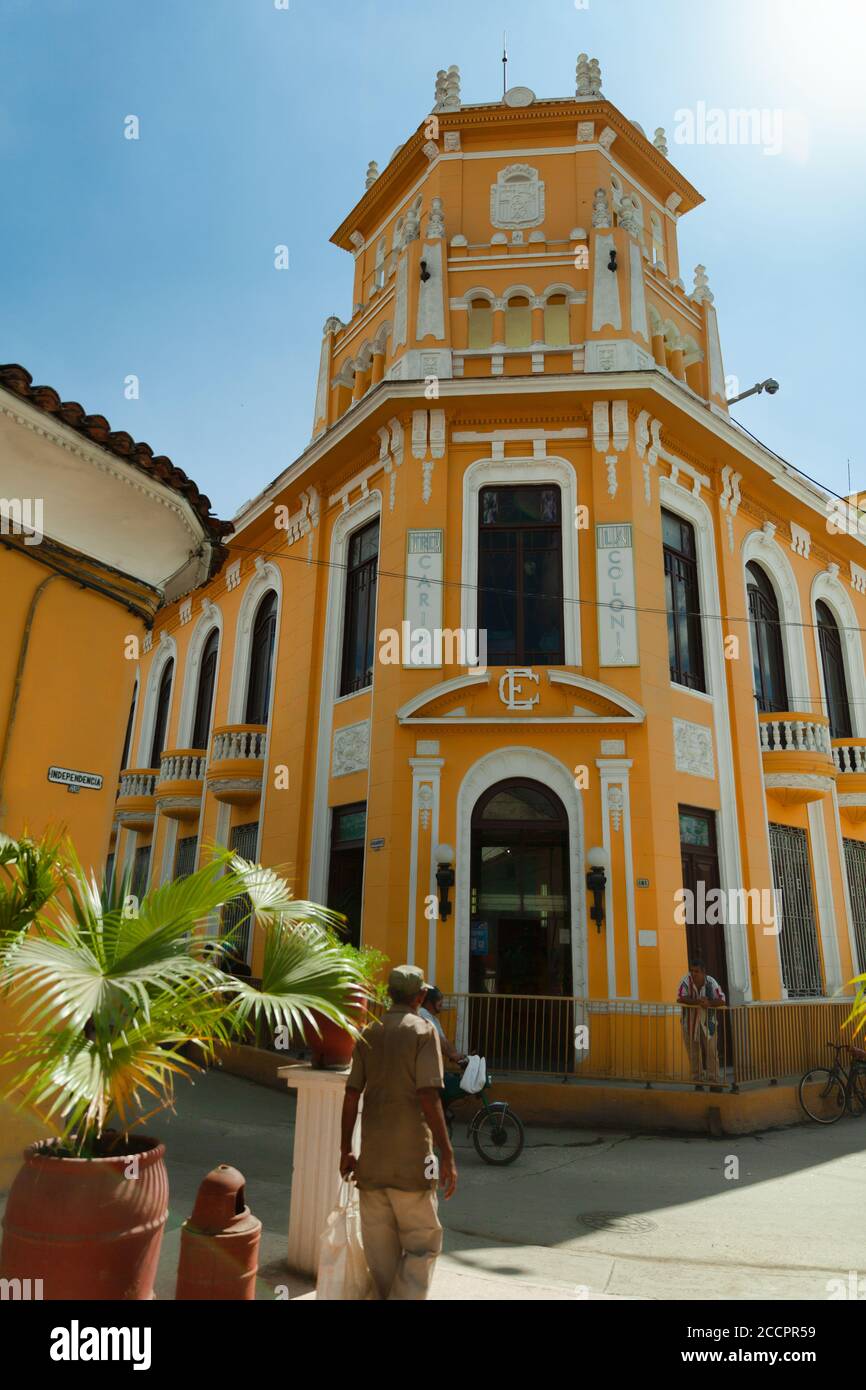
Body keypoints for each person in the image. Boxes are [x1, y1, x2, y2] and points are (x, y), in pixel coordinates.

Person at [339, 964, 458, 1300]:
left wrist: (345, 1149)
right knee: (423, 1246)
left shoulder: (369, 1032)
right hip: (412, 1164)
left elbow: (351, 1095)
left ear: (389, 994)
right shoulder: (423, 1032)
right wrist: (447, 1155)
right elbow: (428, 1094)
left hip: (372, 1163)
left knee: (381, 1256)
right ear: (420, 996)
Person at [677, 956, 726, 1090]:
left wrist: (709, 1003)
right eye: (692, 971)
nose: (693, 974)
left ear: (703, 972)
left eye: (696, 971)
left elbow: (722, 1000)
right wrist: (698, 1002)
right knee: (693, 1053)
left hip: (708, 1023)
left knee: (711, 1052)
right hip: (690, 1023)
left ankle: (714, 1082)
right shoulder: (685, 981)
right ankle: (697, 1082)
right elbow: (680, 998)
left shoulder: (711, 983)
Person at [419, 985, 466, 1069]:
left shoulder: (434, 1019)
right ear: (430, 1002)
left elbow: (444, 1041)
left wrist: (456, 1055)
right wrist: (453, 1055)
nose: (442, 1002)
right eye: (438, 999)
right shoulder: (423, 1013)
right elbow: (437, 1039)